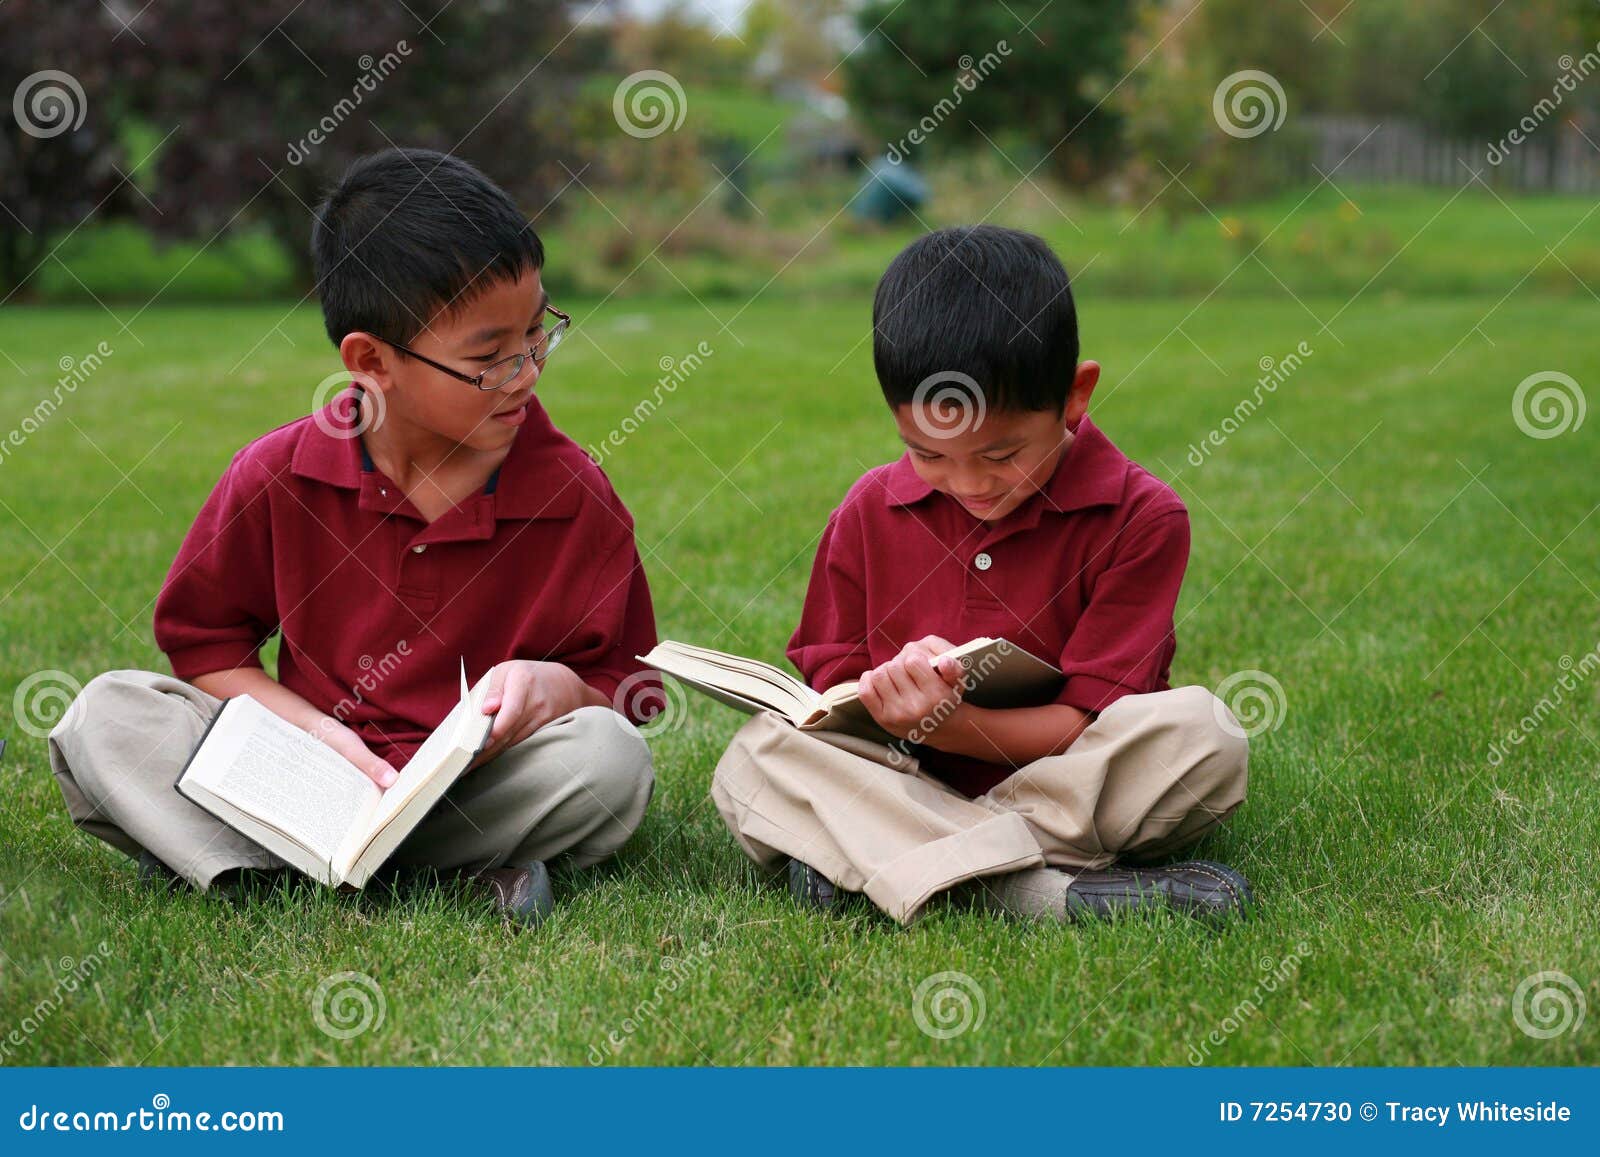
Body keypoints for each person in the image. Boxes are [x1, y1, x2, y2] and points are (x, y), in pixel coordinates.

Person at [49, 149, 660, 927]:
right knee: (106, 714)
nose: (527, 371)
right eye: (489, 357)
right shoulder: (276, 474)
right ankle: (452, 873)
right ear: (371, 361)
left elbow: (622, 686)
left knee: (610, 761)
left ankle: (253, 864)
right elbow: (206, 649)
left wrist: (557, 687)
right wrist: (319, 734)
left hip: (473, 788)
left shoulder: (575, 493)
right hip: (304, 772)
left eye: (539, 333)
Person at [712, 225, 1251, 925]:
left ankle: (880, 860)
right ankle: (1040, 895)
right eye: (928, 456)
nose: (969, 483)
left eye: (1001, 455)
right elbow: (828, 701)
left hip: (1057, 781)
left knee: (1201, 734)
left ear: (1075, 396)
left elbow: (1086, 723)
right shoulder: (870, 508)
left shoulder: (1141, 516)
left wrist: (949, 723)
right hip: (903, 778)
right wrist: (889, 707)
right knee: (759, 754)